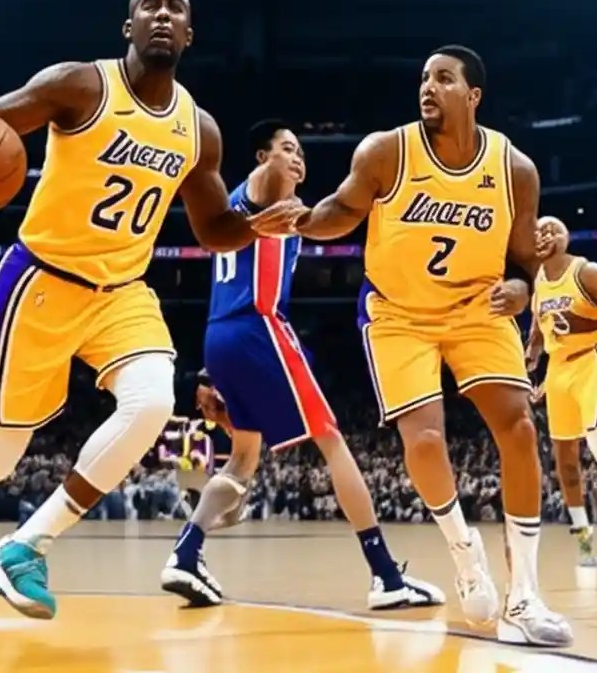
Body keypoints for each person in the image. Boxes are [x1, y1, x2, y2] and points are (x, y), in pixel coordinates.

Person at [0, 0, 264, 620]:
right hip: (41, 282)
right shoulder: (80, 85)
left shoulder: (200, 131)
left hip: (122, 292)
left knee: (154, 402)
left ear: (190, 35)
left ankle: (26, 547)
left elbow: (212, 228)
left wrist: (259, 222)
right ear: (128, 26)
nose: (162, 14)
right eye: (149, 5)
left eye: (176, 8)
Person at [252, 45, 573, 646]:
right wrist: (299, 220)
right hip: (398, 313)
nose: (428, 87)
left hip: (477, 307)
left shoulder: (515, 169)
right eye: (424, 78)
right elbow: (341, 210)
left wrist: (519, 288)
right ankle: (463, 551)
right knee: (425, 442)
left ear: (472, 96)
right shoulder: (386, 151)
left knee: (521, 428)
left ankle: (525, 596)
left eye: (444, 79)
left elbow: (525, 260)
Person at [161, 121, 444, 611]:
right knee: (332, 440)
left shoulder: (251, 210)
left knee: (243, 460)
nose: (297, 160)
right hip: (259, 327)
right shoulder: (267, 195)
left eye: (301, 153)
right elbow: (279, 192)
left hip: (221, 336)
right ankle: (385, 576)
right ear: (259, 158)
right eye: (286, 149)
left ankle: (186, 554)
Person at [525, 216, 597, 577]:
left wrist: (585, 324)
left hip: (596, 357)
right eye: (538, 230)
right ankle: (583, 539)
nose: (545, 233)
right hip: (559, 369)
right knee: (565, 459)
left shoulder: (586, 272)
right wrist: (531, 360)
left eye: (553, 228)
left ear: (566, 237)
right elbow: (539, 332)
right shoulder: (540, 283)